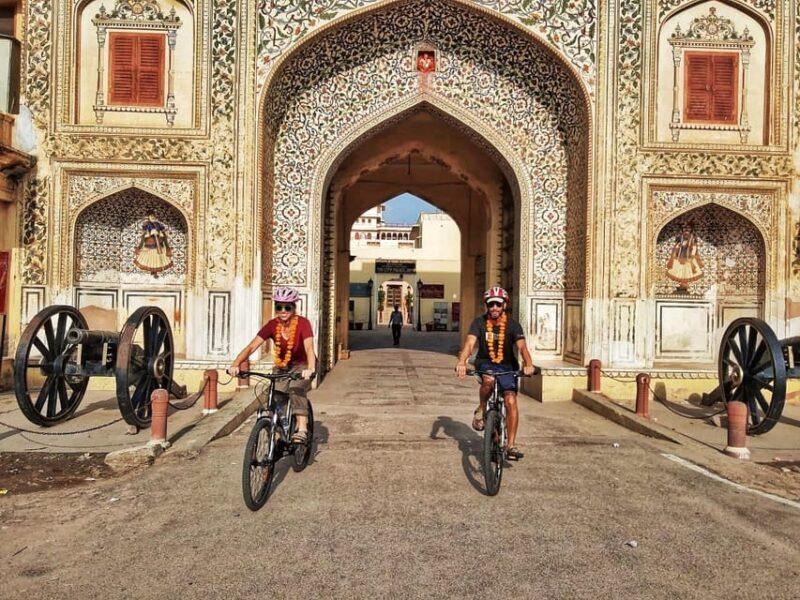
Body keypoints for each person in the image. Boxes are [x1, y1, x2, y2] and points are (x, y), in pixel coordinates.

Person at [455, 286, 535, 460]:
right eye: (491, 304)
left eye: (498, 304)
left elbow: (522, 347)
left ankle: (511, 445)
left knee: (511, 400)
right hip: (486, 363)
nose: (494, 308)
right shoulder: (479, 323)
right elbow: (469, 345)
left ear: (504, 305)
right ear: (487, 306)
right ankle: (483, 408)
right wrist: (462, 361)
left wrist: (528, 364)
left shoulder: (513, 325)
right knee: (489, 380)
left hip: (508, 367)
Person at [227, 287, 316, 444]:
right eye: (279, 306)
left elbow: (309, 347)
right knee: (276, 395)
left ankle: (302, 428)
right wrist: (236, 364)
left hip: (303, 364)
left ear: (294, 308)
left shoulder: (303, 323)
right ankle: (279, 431)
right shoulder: (272, 325)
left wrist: (311, 369)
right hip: (282, 367)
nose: (283, 311)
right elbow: (251, 347)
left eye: (287, 307)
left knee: (296, 389)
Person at [666, 221, 704, 291]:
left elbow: (695, 247)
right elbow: (676, 246)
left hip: (689, 257)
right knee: (678, 270)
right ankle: (681, 284)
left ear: (691, 229)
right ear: (682, 230)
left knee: (688, 270)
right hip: (680, 256)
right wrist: (675, 252)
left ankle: (685, 284)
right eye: (684, 228)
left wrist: (692, 256)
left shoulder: (692, 238)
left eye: (688, 228)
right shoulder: (680, 237)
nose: (686, 230)